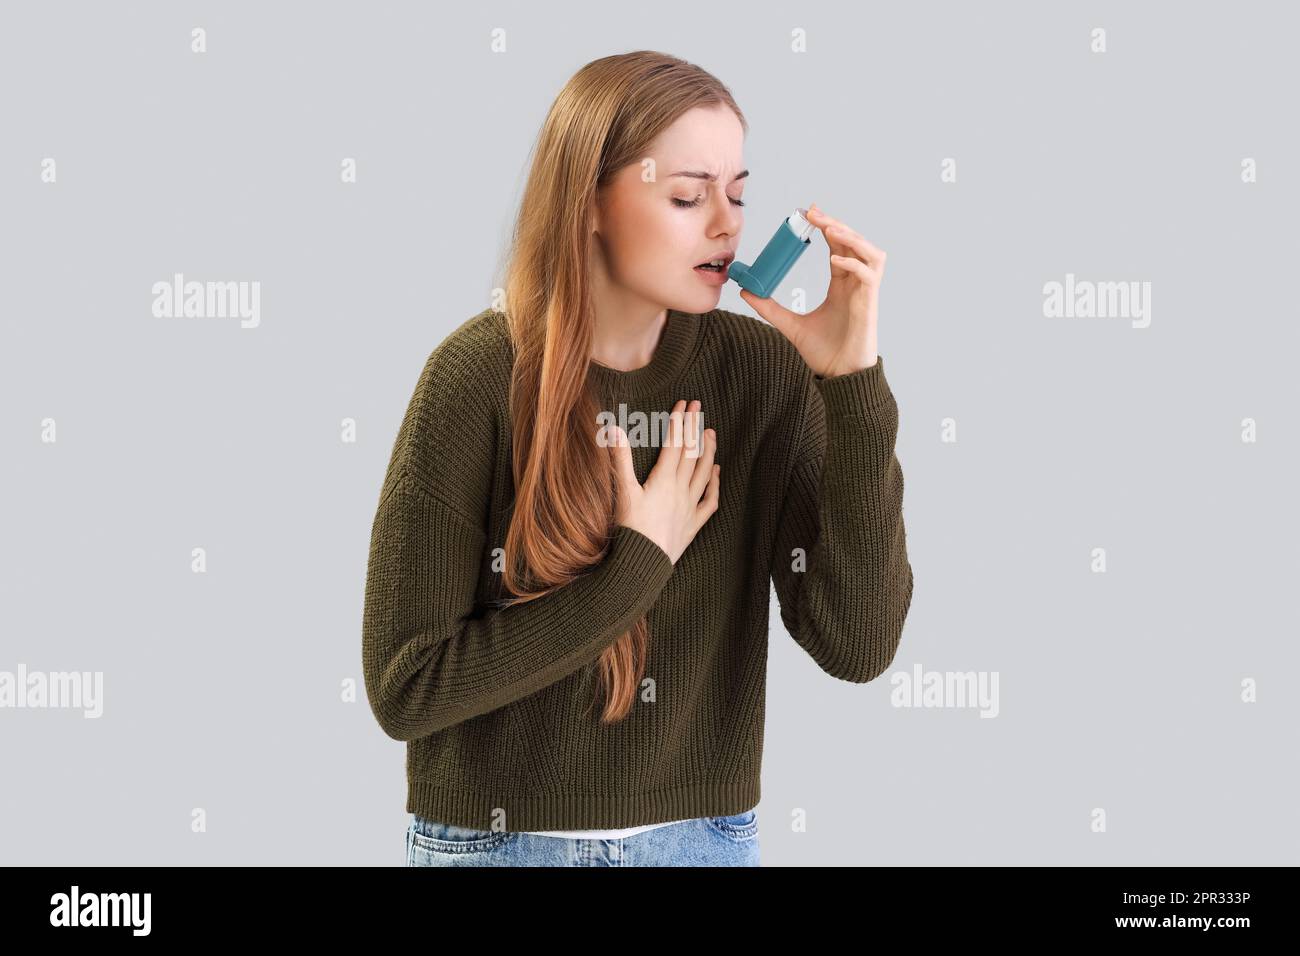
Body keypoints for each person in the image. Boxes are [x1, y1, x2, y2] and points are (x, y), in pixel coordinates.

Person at [362, 50, 914, 867]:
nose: (727, 225)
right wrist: (635, 567)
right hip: (495, 846)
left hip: (702, 844)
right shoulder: (476, 376)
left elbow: (857, 646)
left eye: (738, 193)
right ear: (590, 201)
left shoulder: (758, 374)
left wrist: (851, 389)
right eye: (688, 196)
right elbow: (407, 688)